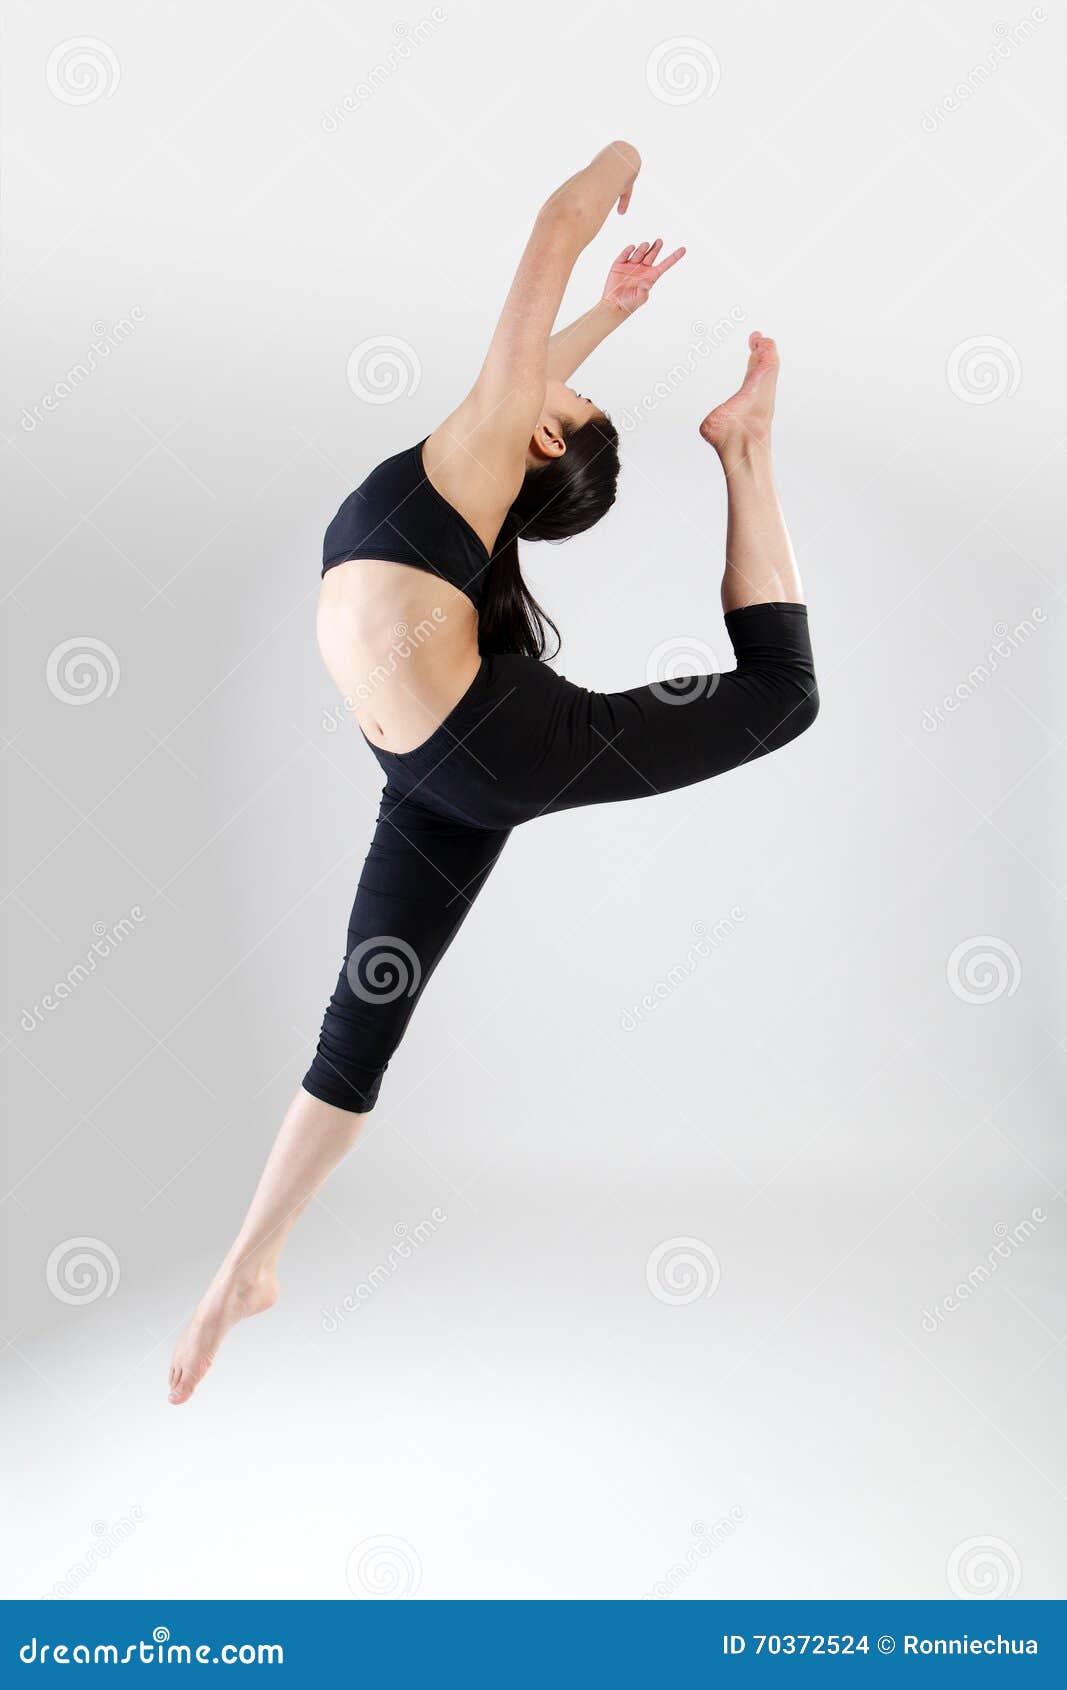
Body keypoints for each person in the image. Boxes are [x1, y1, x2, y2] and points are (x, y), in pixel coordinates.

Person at [168, 142, 818, 1405]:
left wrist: (627, 158)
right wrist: (613, 315)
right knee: (354, 1039)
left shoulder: (462, 463)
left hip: (494, 748)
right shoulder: (472, 464)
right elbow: (534, 381)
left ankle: (744, 448)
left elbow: (556, 215)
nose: (546, 381)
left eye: (555, 397)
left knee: (778, 698)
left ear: (530, 435)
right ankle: (246, 1267)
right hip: (437, 772)